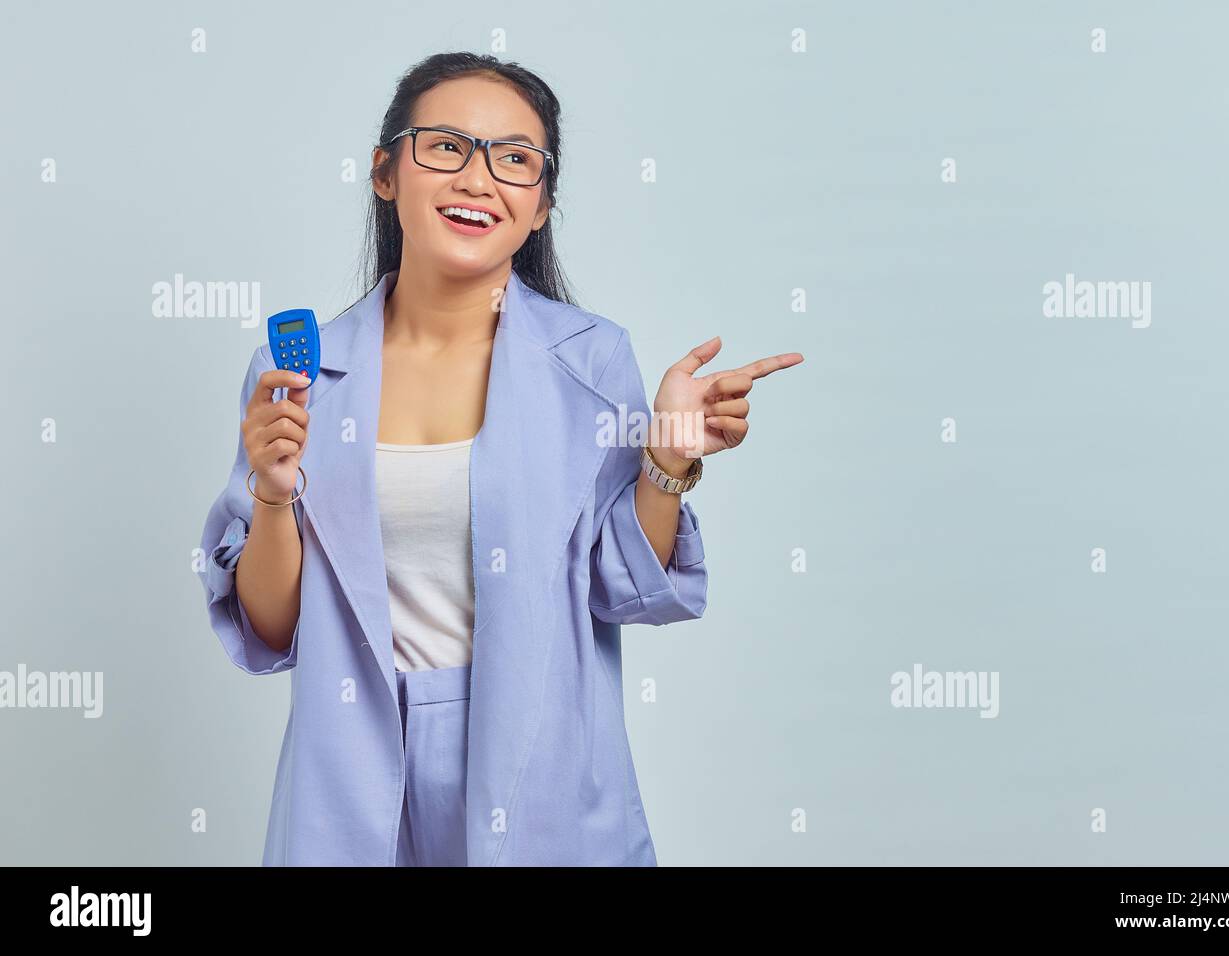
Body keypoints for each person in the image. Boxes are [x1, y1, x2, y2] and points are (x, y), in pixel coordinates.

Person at [197, 51, 803, 866]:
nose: (479, 180)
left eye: (516, 160)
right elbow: (271, 630)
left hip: (542, 777)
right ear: (385, 173)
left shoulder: (589, 363)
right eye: (446, 146)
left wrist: (664, 461)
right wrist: (273, 497)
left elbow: (623, 590)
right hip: (349, 781)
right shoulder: (301, 373)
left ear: (542, 204)